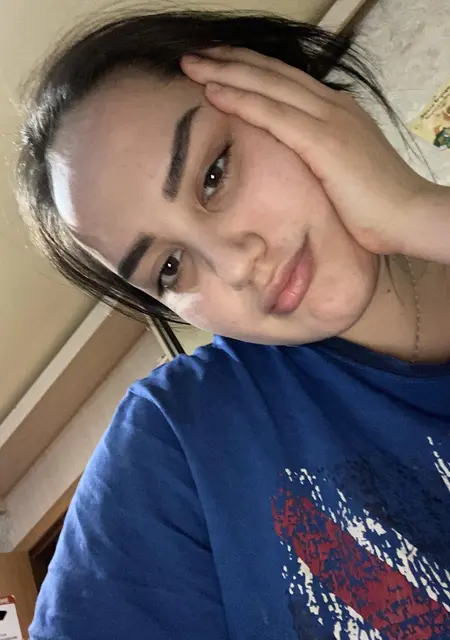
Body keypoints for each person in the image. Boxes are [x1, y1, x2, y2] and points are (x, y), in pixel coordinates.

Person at [17, 8, 450, 640]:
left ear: (288, 82)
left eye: (214, 175)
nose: (236, 263)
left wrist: (422, 213)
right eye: (169, 268)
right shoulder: (178, 442)